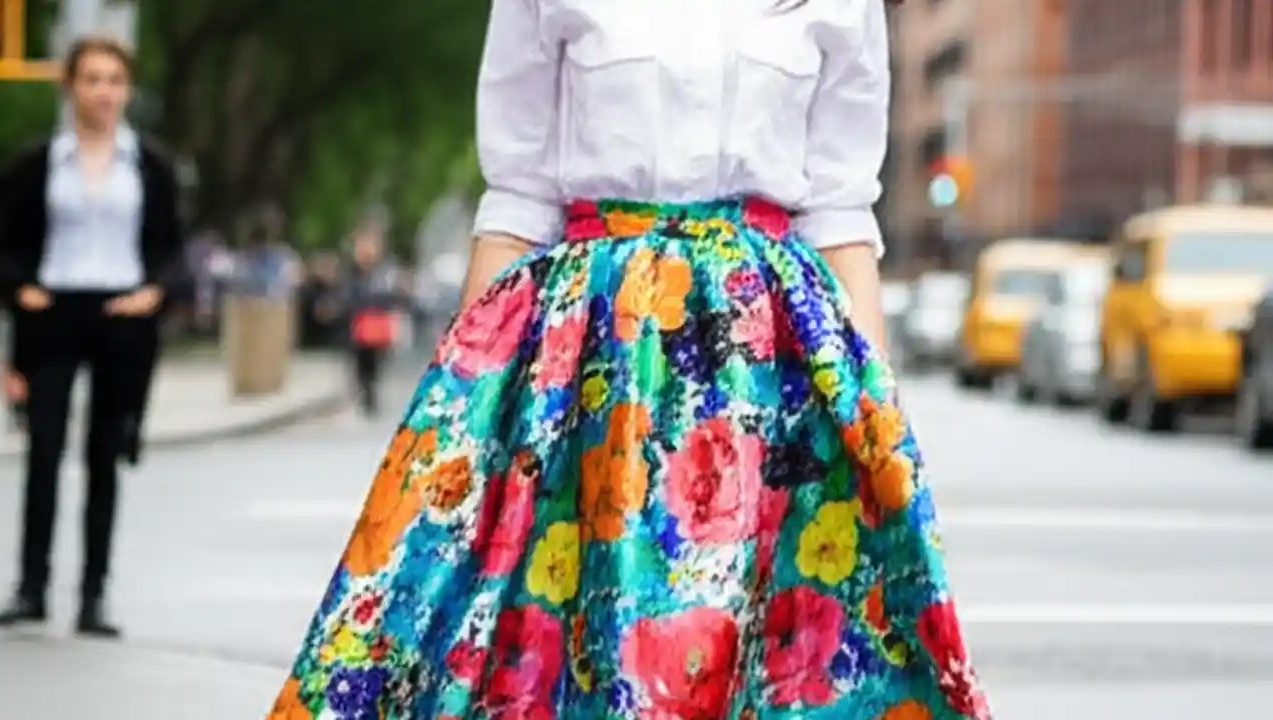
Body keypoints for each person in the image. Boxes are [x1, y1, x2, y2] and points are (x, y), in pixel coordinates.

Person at [269, 0, 992, 717]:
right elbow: (518, 198)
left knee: (756, 649)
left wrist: (875, 416)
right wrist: (465, 401)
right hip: (588, 364)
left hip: (767, 368)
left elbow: (840, 214)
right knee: (557, 632)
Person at [0, 36, 184, 639]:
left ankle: (94, 595)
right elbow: (2, 240)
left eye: (114, 80)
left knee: (105, 454)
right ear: (71, 87)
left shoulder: (149, 164)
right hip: (53, 311)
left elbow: (174, 248)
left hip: (122, 314)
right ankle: (31, 587)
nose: (103, 91)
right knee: (43, 450)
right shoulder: (39, 162)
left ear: (127, 90)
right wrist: (18, 289)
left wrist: (154, 291)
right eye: (92, 79)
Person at [343, 222, 402, 417]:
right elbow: (348, 295)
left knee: (375, 362)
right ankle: (364, 393)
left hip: (377, 322)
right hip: (360, 321)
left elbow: (391, 296)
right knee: (360, 361)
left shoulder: (384, 271)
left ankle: (371, 394)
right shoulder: (353, 272)